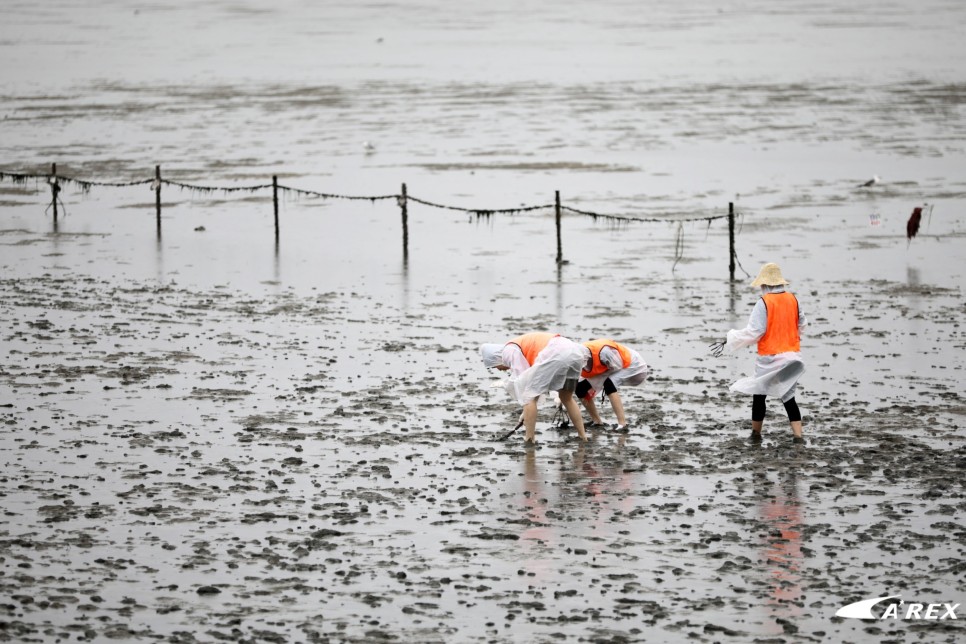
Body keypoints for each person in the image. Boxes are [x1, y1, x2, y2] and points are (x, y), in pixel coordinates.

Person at [711, 262, 807, 444]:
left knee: (759, 393)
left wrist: (731, 338)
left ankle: (756, 434)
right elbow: (802, 324)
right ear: (780, 283)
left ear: (764, 284)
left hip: (769, 357)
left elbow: (755, 332)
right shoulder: (794, 300)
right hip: (792, 356)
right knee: (789, 396)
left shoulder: (763, 303)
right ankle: (798, 436)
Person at [480, 332, 589, 444]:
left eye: (494, 366)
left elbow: (525, 382)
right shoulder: (518, 346)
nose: (499, 370)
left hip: (557, 353)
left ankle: (529, 438)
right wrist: (527, 412)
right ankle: (583, 436)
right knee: (566, 397)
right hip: (575, 354)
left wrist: (526, 411)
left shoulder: (508, 350)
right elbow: (536, 383)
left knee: (527, 396)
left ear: (496, 357)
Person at [575, 339, 649, 432]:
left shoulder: (604, 353)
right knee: (580, 388)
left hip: (632, 364)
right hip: (610, 366)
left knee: (609, 384)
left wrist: (598, 383)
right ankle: (597, 421)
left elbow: (617, 367)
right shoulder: (577, 358)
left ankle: (622, 424)